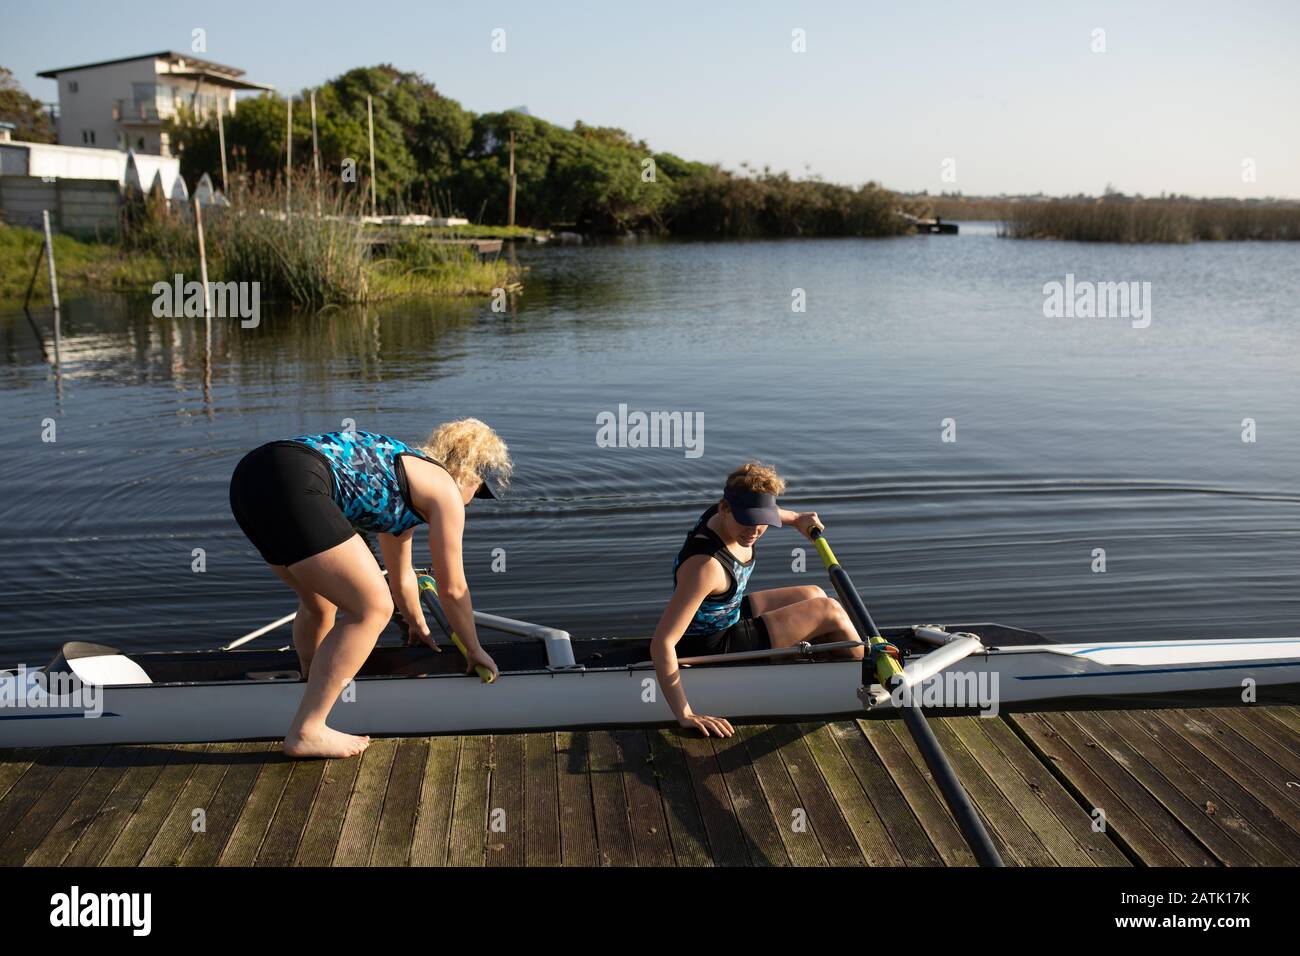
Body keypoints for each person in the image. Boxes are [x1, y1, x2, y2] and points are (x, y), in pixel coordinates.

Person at [228, 419, 511, 758]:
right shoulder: (445, 490)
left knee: (319, 603)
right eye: (478, 493)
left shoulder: (403, 480)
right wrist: (474, 647)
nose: (470, 502)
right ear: (469, 474)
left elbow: (402, 575)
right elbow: (453, 588)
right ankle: (309, 729)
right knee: (373, 608)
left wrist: (418, 626)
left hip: (253, 476)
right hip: (296, 480)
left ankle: (310, 687)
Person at [650, 461, 863, 738]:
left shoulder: (733, 513)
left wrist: (798, 518)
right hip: (709, 643)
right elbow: (662, 643)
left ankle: (818, 649)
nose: (754, 530)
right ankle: (864, 665)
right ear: (724, 508)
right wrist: (685, 714)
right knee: (829, 610)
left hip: (728, 611)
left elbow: (773, 513)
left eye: (762, 520)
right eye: (747, 519)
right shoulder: (705, 567)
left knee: (813, 593)